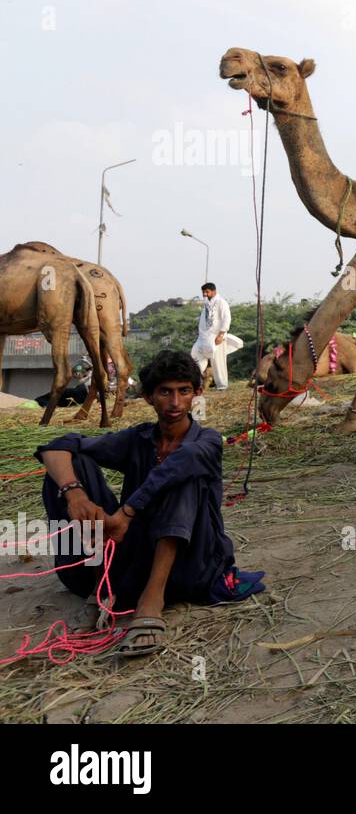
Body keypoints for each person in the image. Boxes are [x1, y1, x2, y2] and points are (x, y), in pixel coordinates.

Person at [36, 350, 265, 657]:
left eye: (183, 391)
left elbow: (178, 464)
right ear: (147, 397)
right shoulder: (138, 438)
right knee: (72, 464)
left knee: (182, 474)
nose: (174, 403)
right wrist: (75, 495)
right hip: (126, 561)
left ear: (196, 393)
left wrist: (126, 512)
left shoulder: (207, 440)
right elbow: (56, 446)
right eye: (165, 392)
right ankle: (100, 585)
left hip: (187, 567)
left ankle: (151, 601)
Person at [191, 282, 242, 391]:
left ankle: (222, 386)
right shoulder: (206, 304)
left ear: (213, 291)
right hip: (204, 337)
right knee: (195, 356)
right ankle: (195, 382)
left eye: (207, 292)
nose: (205, 294)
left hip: (217, 337)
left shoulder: (221, 302)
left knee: (218, 362)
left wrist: (221, 334)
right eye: (203, 292)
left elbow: (226, 318)